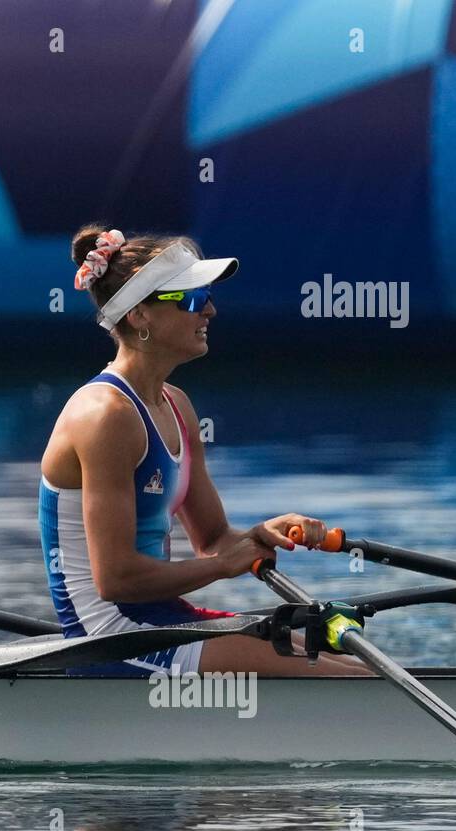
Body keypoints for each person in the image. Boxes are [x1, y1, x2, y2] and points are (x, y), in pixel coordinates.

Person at [39, 226, 367, 675]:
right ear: (139, 316)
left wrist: (260, 534)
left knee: (349, 661)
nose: (210, 309)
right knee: (355, 680)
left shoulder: (177, 405)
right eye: (193, 298)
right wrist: (221, 568)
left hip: (161, 619)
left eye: (208, 294)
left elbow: (213, 541)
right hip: (111, 638)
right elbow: (116, 578)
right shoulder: (104, 416)